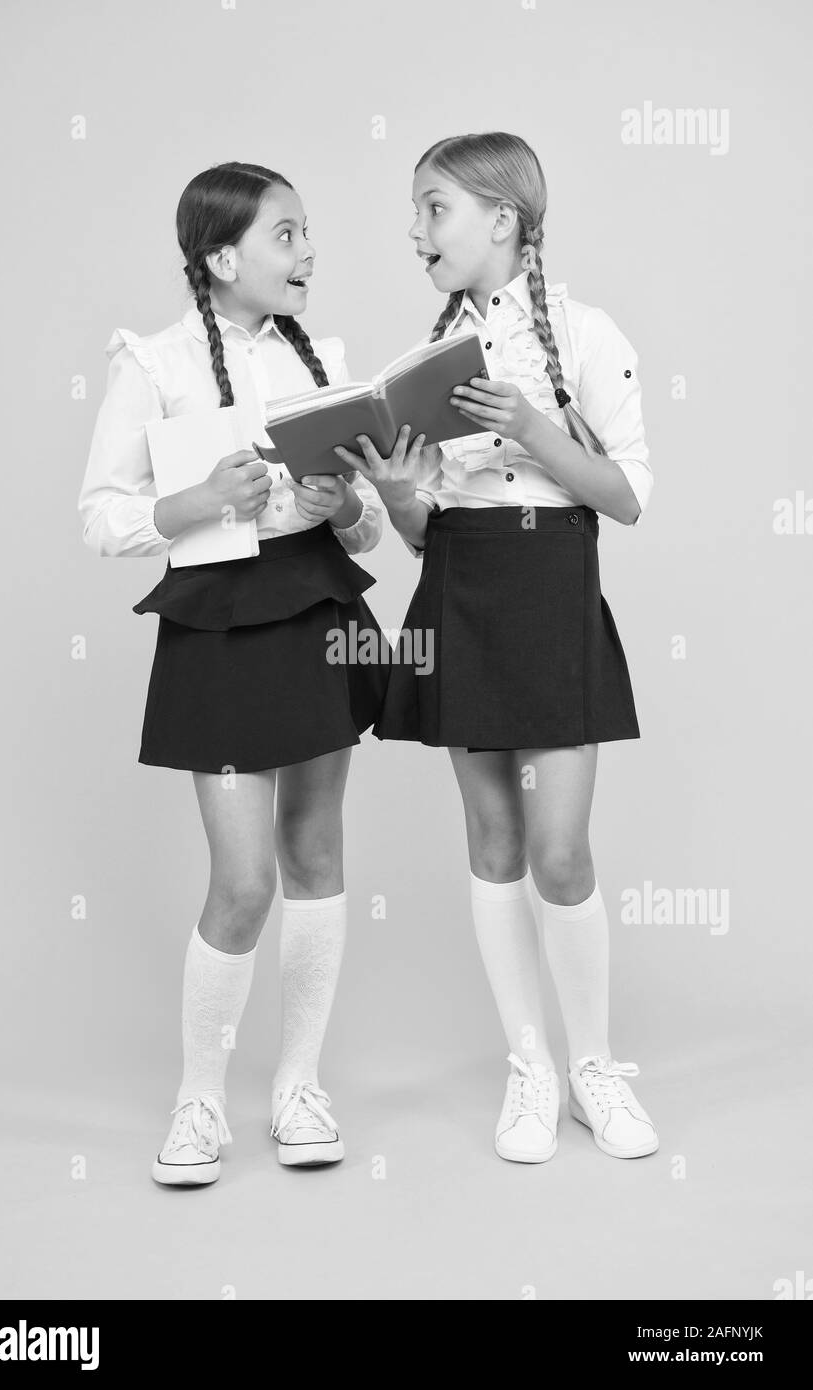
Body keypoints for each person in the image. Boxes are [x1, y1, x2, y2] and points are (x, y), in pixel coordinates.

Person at [334, 131, 658, 1163]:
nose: (416, 230)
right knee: (494, 843)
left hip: (554, 586)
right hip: (460, 591)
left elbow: (628, 497)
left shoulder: (589, 334)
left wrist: (533, 426)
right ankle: (530, 1064)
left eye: (434, 208)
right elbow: (424, 532)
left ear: (502, 221)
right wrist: (393, 491)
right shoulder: (415, 369)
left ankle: (593, 1067)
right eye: (416, 210)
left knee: (561, 853)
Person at [78, 161, 387, 1185]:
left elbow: (369, 520)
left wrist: (344, 500)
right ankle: (198, 1100)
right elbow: (103, 516)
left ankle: (298, 1087)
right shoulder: (154, 361)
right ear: (223, 256)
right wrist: (204, 496)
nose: (308, 254)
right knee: (244, 881)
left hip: (317, 606)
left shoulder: (323, 360)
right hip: (218, 619)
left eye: (307, 234)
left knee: (313, 852)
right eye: (288, 236)